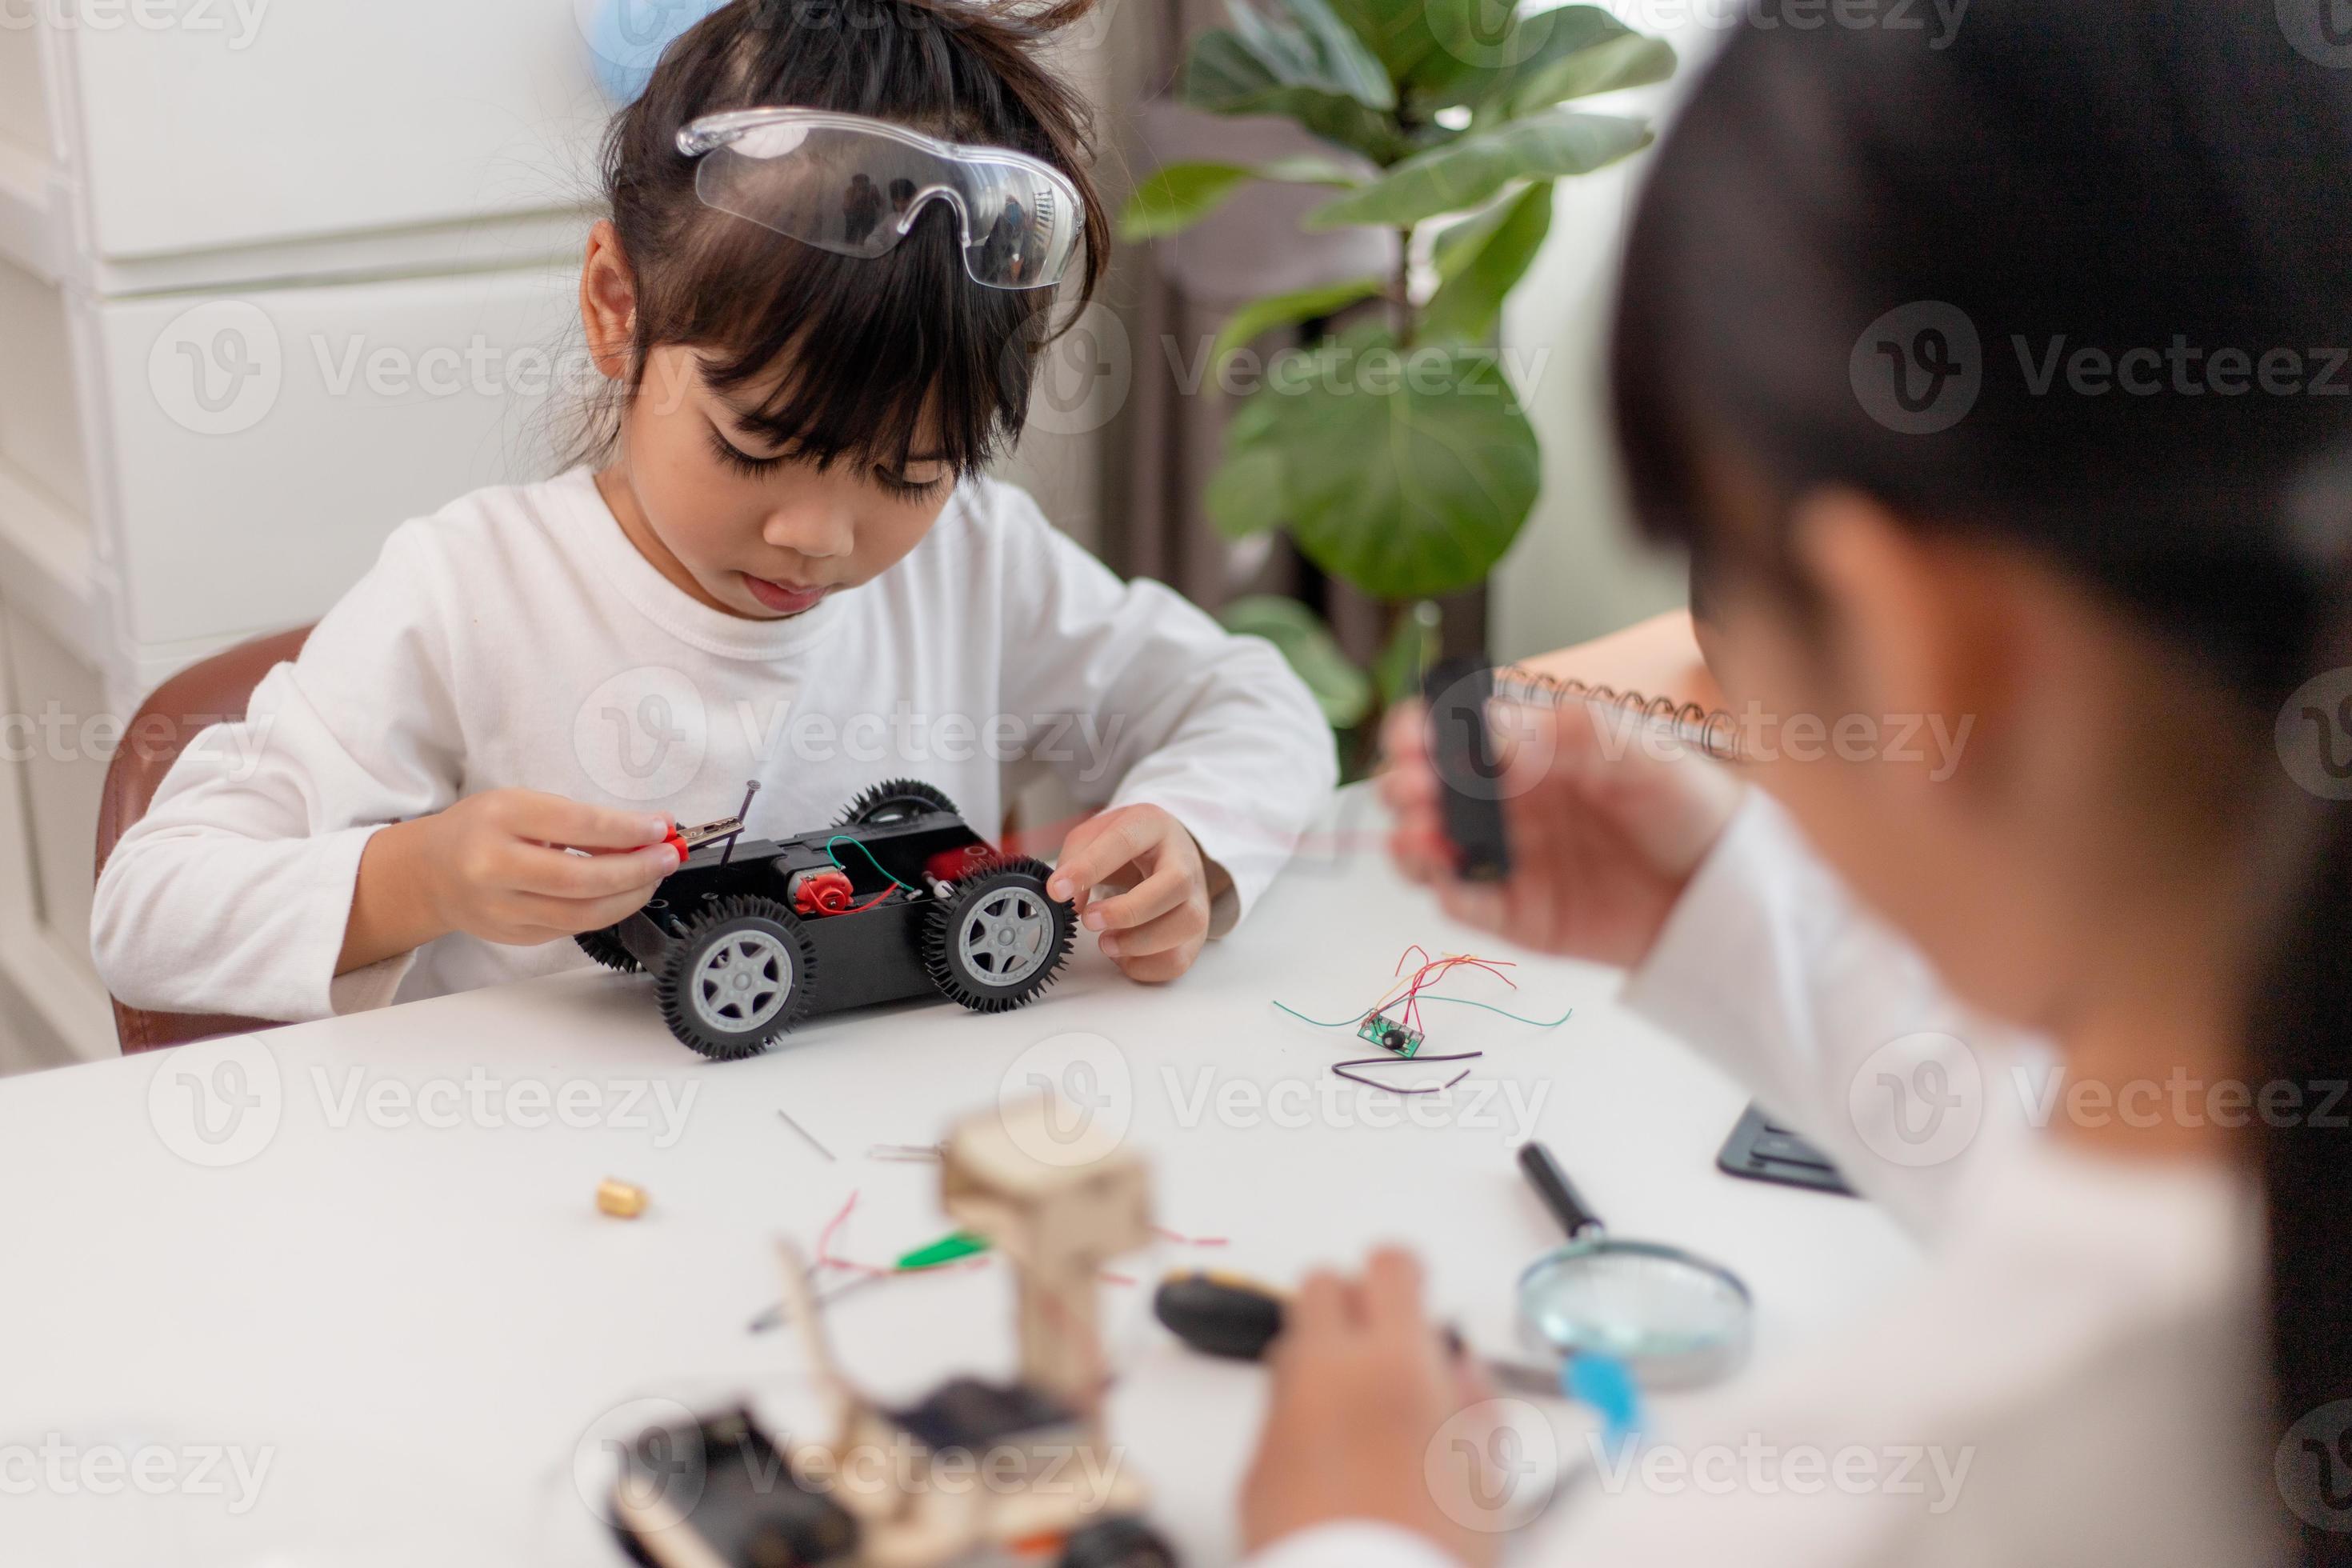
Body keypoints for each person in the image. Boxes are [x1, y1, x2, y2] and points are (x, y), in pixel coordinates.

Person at [1238, 2, 2352, 1564]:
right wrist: (1724, 906)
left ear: (1917, 651)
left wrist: (1355, 1535)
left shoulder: (1853, 1503)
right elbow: (2085, 1168)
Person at [92, 0, 1334, 1025]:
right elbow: (149, 910)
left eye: (911, 472)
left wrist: (1193, 837)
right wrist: (417, 878)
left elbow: (1249, 702)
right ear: (616, 307)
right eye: (758, 446)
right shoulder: (467, 594)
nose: (819, 536)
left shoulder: (975, 560)